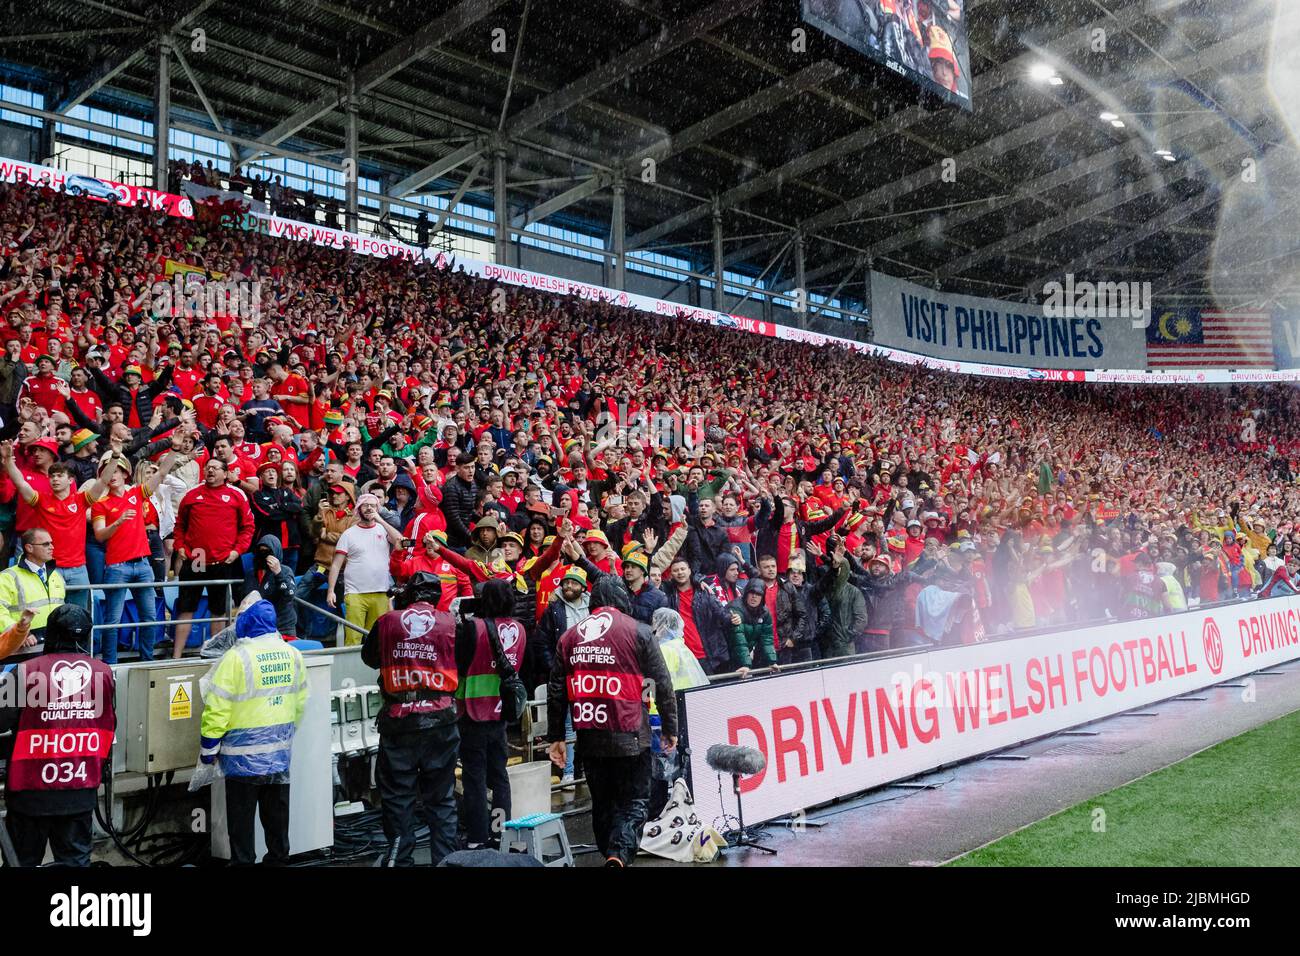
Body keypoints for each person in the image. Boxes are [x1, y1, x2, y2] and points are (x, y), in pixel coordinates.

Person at [547, 577, 677, 867]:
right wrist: (669, 727)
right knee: (634, 803)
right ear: (622, 600)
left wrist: (555, 735)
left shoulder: (568, 637)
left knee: (603, 805)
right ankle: (618, 855)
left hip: (589, 736)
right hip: (631, 734)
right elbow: (660, 683)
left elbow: (556, 690)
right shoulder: (640, 632)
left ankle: (610, 854)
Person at [360, 572, 462, 866]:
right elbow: (461, 660)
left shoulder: (388, 621)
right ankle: (446, 862)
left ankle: (399, 861)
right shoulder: (451, 623)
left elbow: (370, 658)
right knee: (441, 799)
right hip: (441, 720)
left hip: (399, 722)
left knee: (398, 799)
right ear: (436, 596)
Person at [0, 605, 114, 866]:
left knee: (22, 862)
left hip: (30, 793)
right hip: (81, 787)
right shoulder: (104, 672)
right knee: (75, 864)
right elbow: (108, 723)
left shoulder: (25, 671)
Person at [198, 599, 308, 866]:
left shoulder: (236, 658)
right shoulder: (292, 654)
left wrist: (208, 750)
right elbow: (300, 702)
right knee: (277, 827)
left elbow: (217, 709)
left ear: (246, 622)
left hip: (241, 761)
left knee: (242, 832)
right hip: (279, 757)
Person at [455, 577, 525, 849]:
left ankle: (476, 837)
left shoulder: (475, 628)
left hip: (472, 711)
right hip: (501, 711)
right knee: (500, 777)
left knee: (475, 777)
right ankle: (499, 833)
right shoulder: (520, 629)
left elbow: (458, 662)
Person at [91, 450, 179, 663]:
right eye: (109, 471)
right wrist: (119, 521)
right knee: (112, 620)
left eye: (117, 470)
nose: (113, 475)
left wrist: (174, 450)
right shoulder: (100, 504)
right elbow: (100, 535)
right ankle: (110, 665)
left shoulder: (136, 493)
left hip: (142, 565)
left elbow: (161, 474)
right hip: (116, 566)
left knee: (149, 618)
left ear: (125, 474)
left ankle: (147, 662)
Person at [171, 458, 255, 658]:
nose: (210, 471)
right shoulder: (192, 495)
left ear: (225, 473)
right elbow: (179, 526)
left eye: (215, 468)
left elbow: (248, 527)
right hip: (197, 559)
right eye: (207, 467)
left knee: (218, 611)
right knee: (186, 609)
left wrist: (237, 551)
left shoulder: (237, 495)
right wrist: (180, 547)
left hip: (222, 561)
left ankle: (213, 655)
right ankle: (176, 656)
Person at [328, 493, 403, 644]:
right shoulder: (349, 534)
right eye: (365, 505)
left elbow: (401, 541)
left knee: (377, 640)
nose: (369, 508)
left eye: (373, 505)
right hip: (355, 593)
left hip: (380, 592)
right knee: (353, 639)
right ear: (358, 508)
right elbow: (336, 565)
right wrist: (331, 591)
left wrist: (381, 520)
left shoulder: (382, 529)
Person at [0, 528, 66, 644]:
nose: (52, 547)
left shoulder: (56, 576)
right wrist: (19, 633)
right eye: (46, 544)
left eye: (51, 543)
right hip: (23, 646)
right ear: (29, 548)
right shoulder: (7, 577)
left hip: (54, 643)